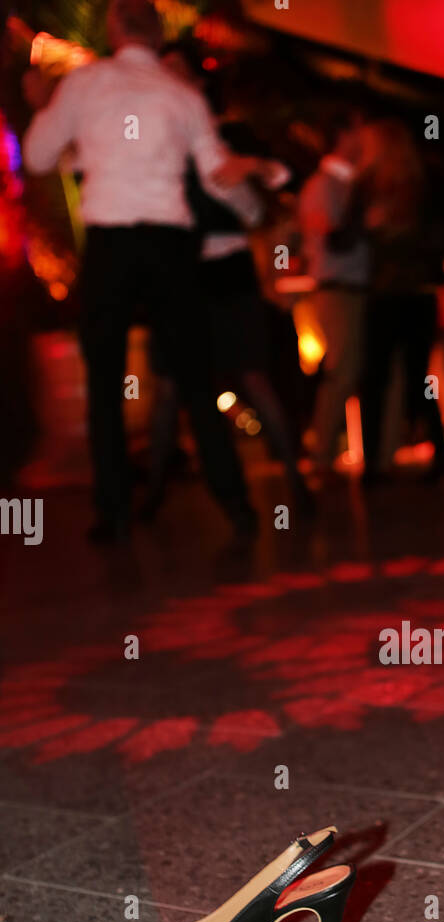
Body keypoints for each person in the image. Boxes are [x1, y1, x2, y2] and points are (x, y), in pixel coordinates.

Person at [22, 0, 259, 544]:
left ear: (113, 28)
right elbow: (217, 172)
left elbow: (36, 157)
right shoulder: (183, 95)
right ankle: (237, 505)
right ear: (155, 36)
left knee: (104, 381)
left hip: (112, 244)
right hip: (171, 244)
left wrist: (42, 106)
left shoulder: (85, 85)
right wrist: (259, 195)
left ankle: (114, 512)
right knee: (196, 377)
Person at [144, 39, 314, 518]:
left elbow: (286, 182)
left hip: (229, 269)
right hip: (178, 272)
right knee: (170, 388)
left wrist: (255, 168)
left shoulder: (229, 133)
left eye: (176, 69)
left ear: (199, 83)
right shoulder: (151, 141)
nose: (165, 78)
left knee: (254, 379)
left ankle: (295, 480)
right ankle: (150, 494)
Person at [358, 117, 444, 486]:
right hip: (401, 292)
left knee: (394, 379)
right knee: (406, 378)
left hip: (399, 292)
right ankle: (382, 462)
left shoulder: (422, 184)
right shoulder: (378, 185)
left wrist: (386, 232)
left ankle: (381, 465)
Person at [298, 109, 369, 478]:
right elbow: (334, 241)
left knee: (350, 370)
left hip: (353, 287)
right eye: (359, 129)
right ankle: (322, 455)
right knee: (341, 371)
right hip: (337, 289)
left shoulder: (346, 183)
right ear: (344, 134)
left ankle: (348, 453)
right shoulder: (323, 186)